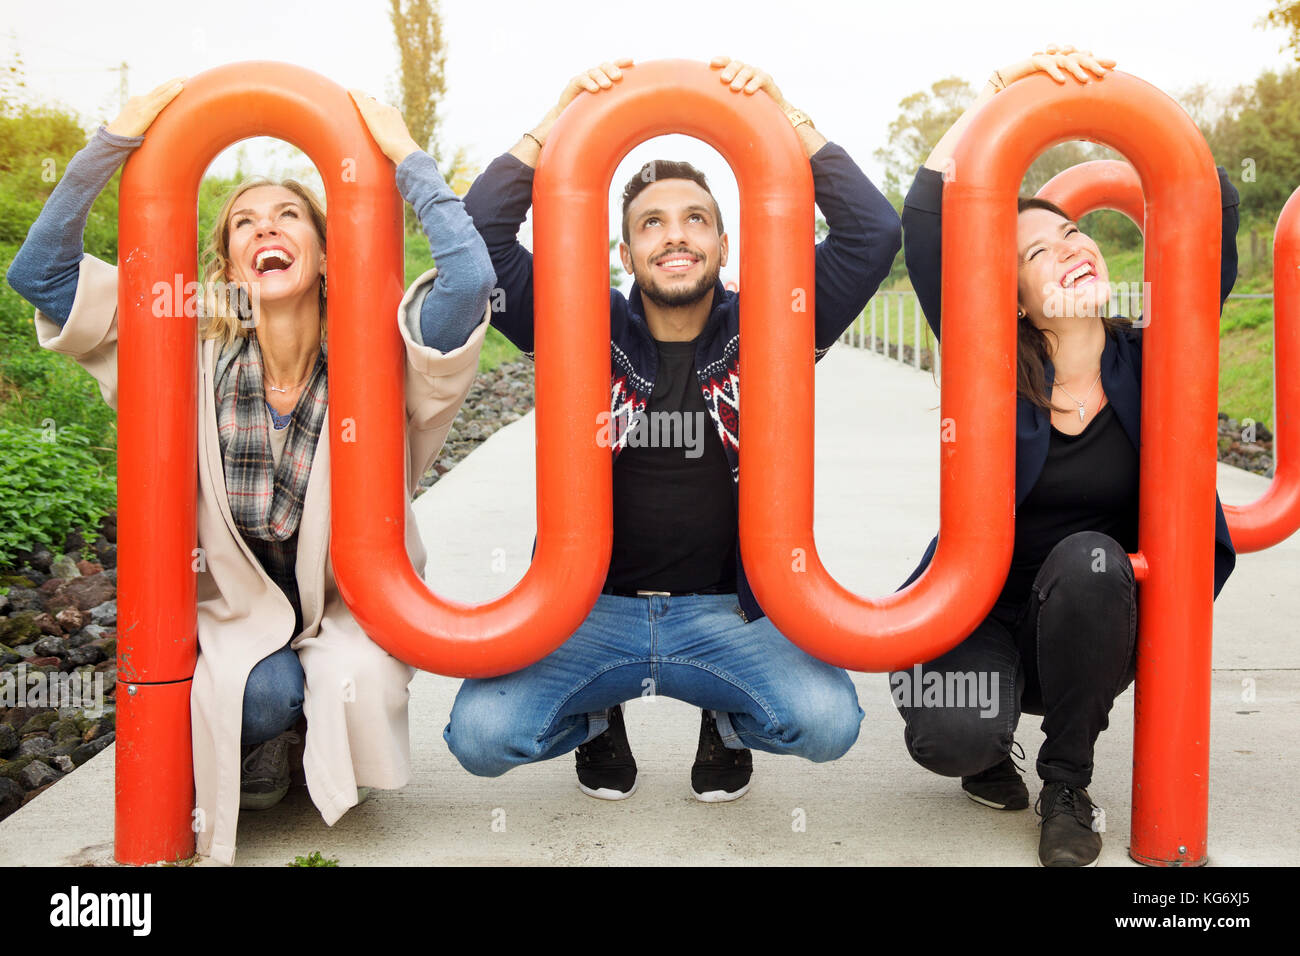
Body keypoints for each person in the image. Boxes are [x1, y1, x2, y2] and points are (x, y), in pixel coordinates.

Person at [6, 78, 496, 864]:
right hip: (232, 620)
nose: (266, 228)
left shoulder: (376, 365)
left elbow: (470, 283)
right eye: (244, 222)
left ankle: (314, 738)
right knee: (264, 692)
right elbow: (41, 276)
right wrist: (114, 142)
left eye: (289, 214)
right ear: (230, 263)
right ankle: (276, 730)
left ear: (326, 252)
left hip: (345, 613)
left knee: (339, 684)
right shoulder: (184, 353)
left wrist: (405, 155)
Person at [444, 57, 901, 801]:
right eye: (651, 224)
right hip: (589, 610)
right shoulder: (579, 323)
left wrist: (788, 120)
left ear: (723, 244)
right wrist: (554, 127)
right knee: (481, 737)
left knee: (827, 723)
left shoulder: (774, 321)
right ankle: (596, 718)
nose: (674, 236)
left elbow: (871, 232)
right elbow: (477, 246)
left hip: (728, 613)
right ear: (625, 255)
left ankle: (725, 717)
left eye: (695, 219)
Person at [893, 47, 1239, 866]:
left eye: (1076, 232)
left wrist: (1126, 106)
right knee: (950, 737)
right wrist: (999, 98)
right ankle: (992, 749)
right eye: (1041, 250)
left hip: (1093, 617)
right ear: (1007, 293)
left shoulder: (1158, 359)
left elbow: (1210, 203)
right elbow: (926, 219)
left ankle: (1069, 779)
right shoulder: (989, 367)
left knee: (1088, 560)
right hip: (981, 616)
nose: (1073, 246)